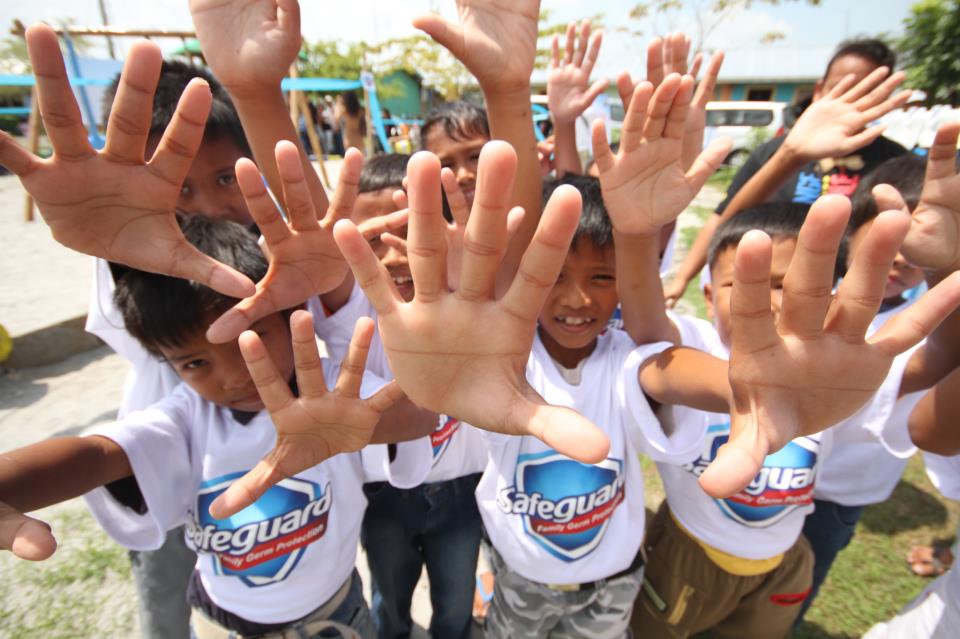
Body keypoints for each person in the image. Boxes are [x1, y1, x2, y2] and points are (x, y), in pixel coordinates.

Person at [86, 57, 256, 639]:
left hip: (256, 469)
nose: (209, 206)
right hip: (170, 467)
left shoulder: (266, 254)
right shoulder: (130, 264)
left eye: (227, 178)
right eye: (177, 188)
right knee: (164, 601)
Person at [333, 153, 489, 639]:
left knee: (454, 606)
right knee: (389, 603)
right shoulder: (343, 319)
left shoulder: (471, 304)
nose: (393, 254)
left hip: (462, 490)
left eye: (409, 233)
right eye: (370, 240)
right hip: (382, 497)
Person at [665, 37, 910, 307]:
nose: (849, 99)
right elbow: (725, 217)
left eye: (866, 90)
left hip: (845, 299)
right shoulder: (776, 151)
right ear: (819, 90)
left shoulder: (894, 162)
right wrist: (682, 278)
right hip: (766, 287)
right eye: (840, 87)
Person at [797, 153, 930, 620]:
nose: (900, 257)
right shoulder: (804, 294)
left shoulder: (929, 325)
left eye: (919, 249)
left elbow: (934, 362)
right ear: (853, 229)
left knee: (798, 586)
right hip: (775, 476)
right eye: (887, 237)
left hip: (838, 493)